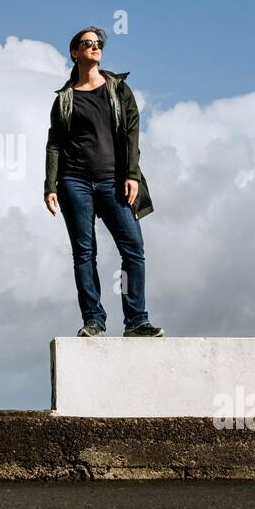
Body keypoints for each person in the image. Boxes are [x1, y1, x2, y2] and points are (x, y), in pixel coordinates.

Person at [44, 28, 164, 338]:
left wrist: (132, 175)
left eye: (98, 44)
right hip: (75, 182)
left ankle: (136, 320)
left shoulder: (119, 89)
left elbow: (132, 133)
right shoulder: (65, 99)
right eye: (88, 44)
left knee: (133, 249)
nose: (95, 48)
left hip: (114, 181)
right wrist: (50, 185)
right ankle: (94, 321)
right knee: (84, 253)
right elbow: (54, 143)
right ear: (75, 53)